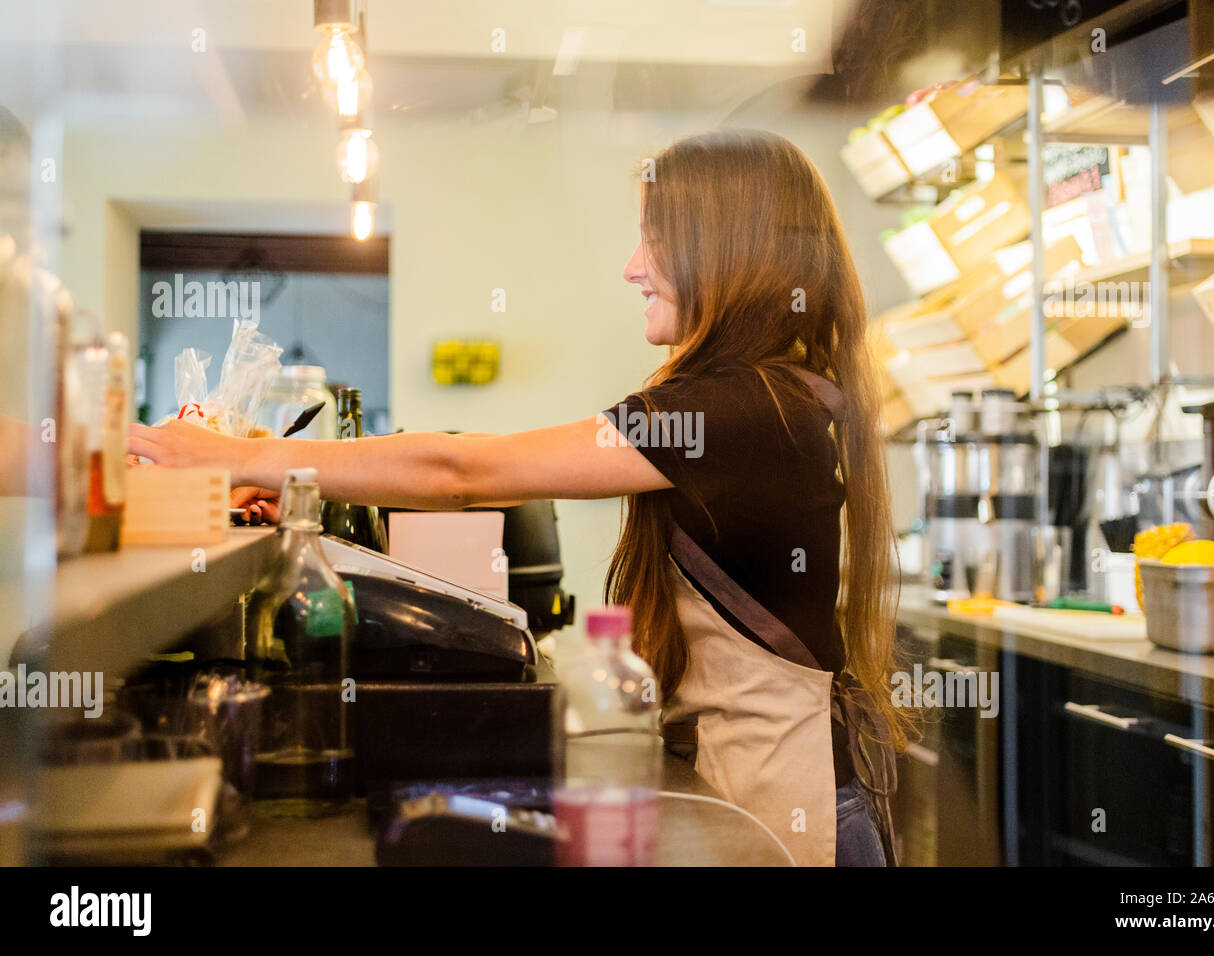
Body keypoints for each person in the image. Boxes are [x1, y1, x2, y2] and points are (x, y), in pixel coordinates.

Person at [129, 129, 905, 867]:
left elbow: (461, 472)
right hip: (764, 789)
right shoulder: (760, 401)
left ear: (723, 249)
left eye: (654, 240)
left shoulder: (742, 412)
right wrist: (275, 478)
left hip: (792, 808)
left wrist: (243, 457)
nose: (632, 267)